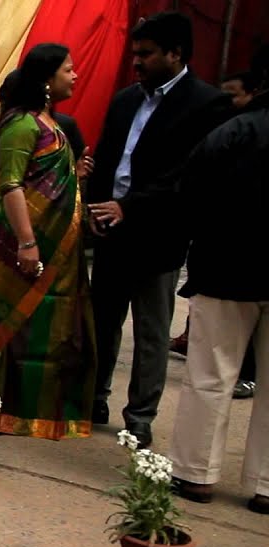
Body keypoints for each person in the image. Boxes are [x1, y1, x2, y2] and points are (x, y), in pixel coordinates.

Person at [0, 44, 95, 440]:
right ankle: (0, 409)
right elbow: (10, 185)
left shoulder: (48, 123)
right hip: (24, 249)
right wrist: (27, 243)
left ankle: (35, 411)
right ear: (46, 78)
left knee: (47, 328)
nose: (74, 76)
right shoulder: (22, 125)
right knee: (13, 327)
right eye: (68, 70)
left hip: (57, 252)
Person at [85, 12, 224, 448]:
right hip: (111, 231)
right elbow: (107, 157)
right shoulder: (126, 99)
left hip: (158, 235)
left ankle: (140, 416)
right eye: (135, 53)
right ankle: (94, 399)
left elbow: (187, 174)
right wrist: (96, 204)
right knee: (102, 323)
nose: (137, 62)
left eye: (146, 54)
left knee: (150, 333)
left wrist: (130, 207)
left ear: (175, 54)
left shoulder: (205, 103)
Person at [168, 50, 268, 513]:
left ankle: (196, 474)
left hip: (226, 267)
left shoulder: (232, 131)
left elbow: (187, 193)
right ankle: (267, 485)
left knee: (211, 373)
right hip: (235, 265)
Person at [169, 68, 259, 400]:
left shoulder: (242, 133)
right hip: (219, 254)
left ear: (253, 93)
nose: (227, 102)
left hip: (238, 256)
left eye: (233, 95)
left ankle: (247, 374)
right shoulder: (221, 132)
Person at [0, 69, 92, 177]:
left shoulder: (64, 124)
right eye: (67, 70)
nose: (74, 76)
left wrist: (74, 176)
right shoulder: (1, 128)